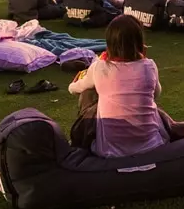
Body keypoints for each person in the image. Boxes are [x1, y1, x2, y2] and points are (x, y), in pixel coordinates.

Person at [68, 15, 168, 158]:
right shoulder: (149, 66)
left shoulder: (99, 68)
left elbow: (76, 88)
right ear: (140, 42)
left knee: (87, 93)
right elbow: (156, 93)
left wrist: (72, 85)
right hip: (152, 146)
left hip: (109, 152)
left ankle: (80, 140)